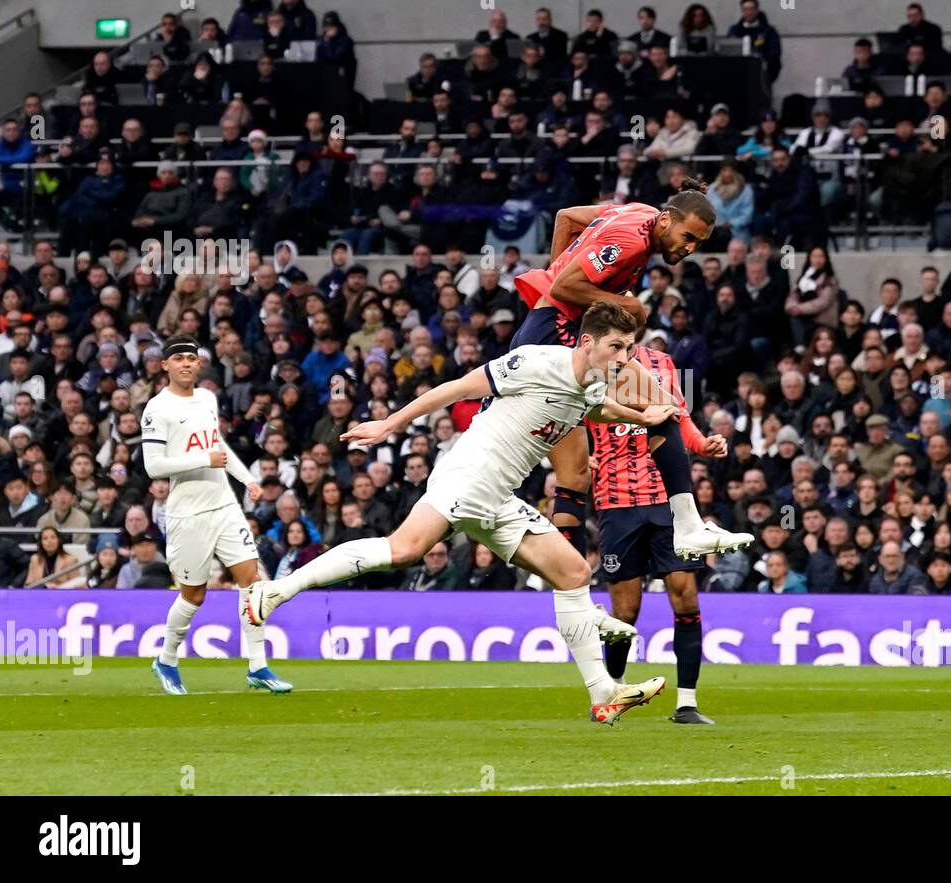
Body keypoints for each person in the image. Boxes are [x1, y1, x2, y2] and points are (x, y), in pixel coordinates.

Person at [247, 303, 674, 726]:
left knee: (574, 573)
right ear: (587, 342)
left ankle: (603, 694)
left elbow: (593, 407)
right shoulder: (537, 362)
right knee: (404, 550)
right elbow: (458, 387)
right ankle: (278, 590)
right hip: (470, 474)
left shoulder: (595, 382)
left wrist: (642, 415)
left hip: (499, 494)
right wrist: (389, 425)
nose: (624, 358)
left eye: (629, 348)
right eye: (616, 347)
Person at [507, 182, 754, 560]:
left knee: (574, 476)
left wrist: (559, 275)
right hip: (553, 337)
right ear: (667, 221)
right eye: (687, 237)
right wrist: (628, 307)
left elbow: (567, 218)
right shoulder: (631, 241)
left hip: (556, 330)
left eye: (698, 244)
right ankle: (687, 526)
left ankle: (572, 598)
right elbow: (566, 284)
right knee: (657, 405)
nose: (689, 249)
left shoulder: (639, 211)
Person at [144, 335, 291, 696]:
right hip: (188, 513)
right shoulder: (157, 409)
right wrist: (204, 461)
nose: (186, 364)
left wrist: (248, 479)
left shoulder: (207, 398)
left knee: (253, 579)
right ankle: (166, 659)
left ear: (199, 364)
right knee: (193, 595)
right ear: (165, 366)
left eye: (191, 358)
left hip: (224, 504)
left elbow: (217, 446)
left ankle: (258, 666)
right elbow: (153, 466)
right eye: (178, 358)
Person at [589, 344, 727, 725]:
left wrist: (702, 444)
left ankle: (686, 704)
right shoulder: (589, 361)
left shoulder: (661, 361)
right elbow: (569, 416)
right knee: (625, 612)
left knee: (685, 599)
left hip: (668, 498)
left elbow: (679, 415)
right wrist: (578, 456)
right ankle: (610, 695)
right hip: (616, 502)